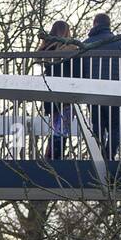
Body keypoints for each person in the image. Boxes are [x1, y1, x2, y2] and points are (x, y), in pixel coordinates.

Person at [80, 12, 121, 167]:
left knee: (98, 126)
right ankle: (109, 156)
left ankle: (99, 156)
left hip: (93, 91)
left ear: (95, 24)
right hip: (115, 90)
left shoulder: (86, 43)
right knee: (114, 126)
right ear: (109, 25)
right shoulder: (119, 42)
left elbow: (82, 70)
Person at [39, 20, 75, 159]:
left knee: (55, 126)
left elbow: (38, 60)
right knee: (62, 127)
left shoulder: (47, 48)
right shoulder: (70, 46)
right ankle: (55, 156)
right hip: (66, 91)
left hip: (50, 91)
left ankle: (50, 155)